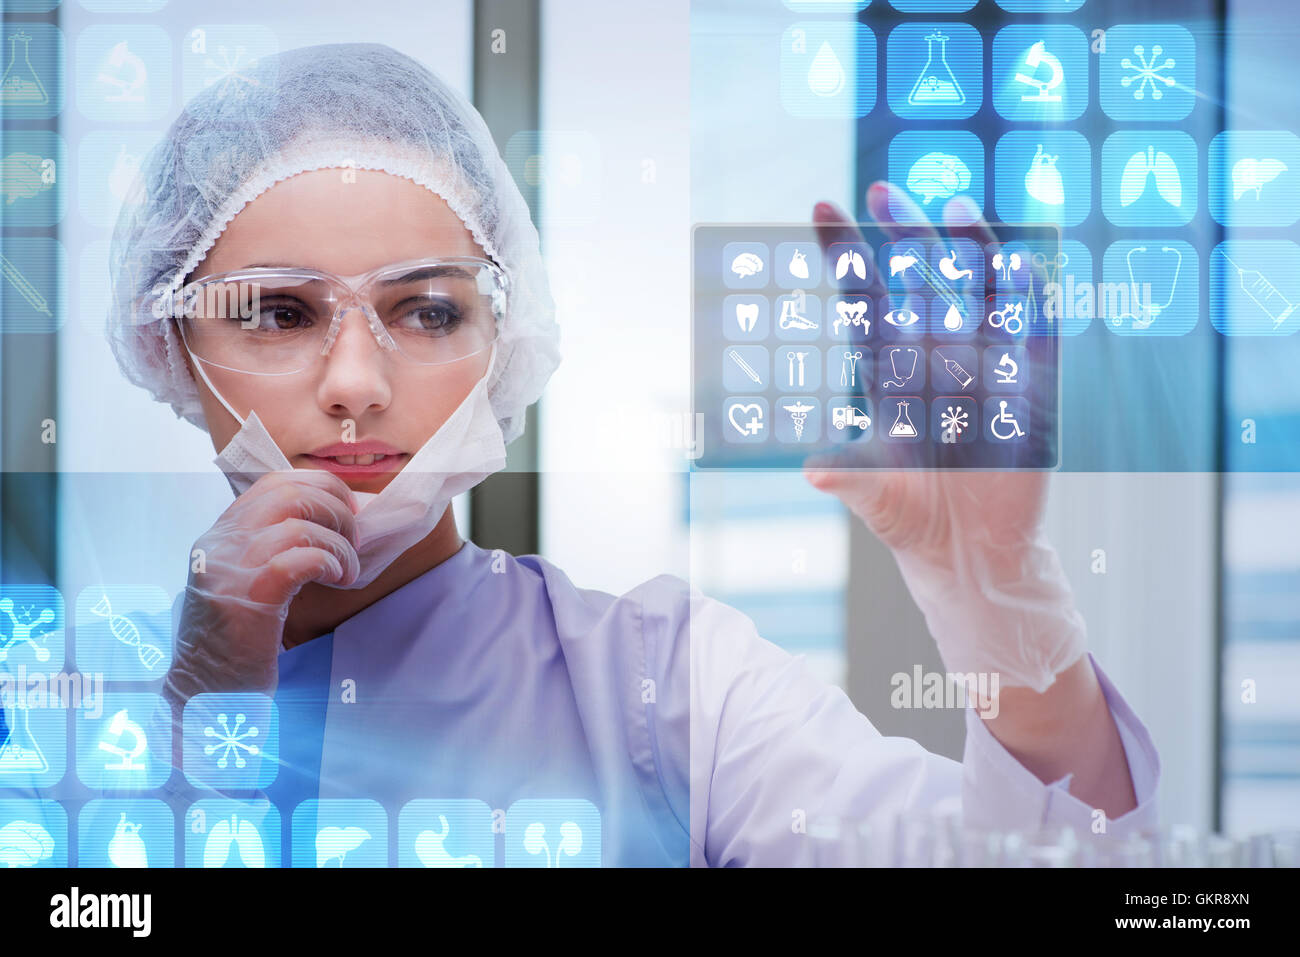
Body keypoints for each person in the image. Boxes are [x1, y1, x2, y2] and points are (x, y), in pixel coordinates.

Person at [97, 43, 1158, 867]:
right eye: (280, 312)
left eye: (425, 310)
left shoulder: (672, 690)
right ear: (169, 344)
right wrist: (197, 728)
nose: (357, 383)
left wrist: (1000, 602)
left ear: (503, 339)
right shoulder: (70, 701)